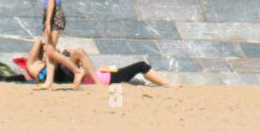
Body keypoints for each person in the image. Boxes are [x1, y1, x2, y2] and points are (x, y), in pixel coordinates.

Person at [27, 40, 178, 89]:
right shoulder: (35, 65)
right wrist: (50, 48)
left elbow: (40, 43)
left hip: (92, 74)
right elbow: (38, 42)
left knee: (78, 51)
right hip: (104, 79)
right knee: (141, 66)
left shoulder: (37, 66)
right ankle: (167, 85)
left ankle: (165, 84)